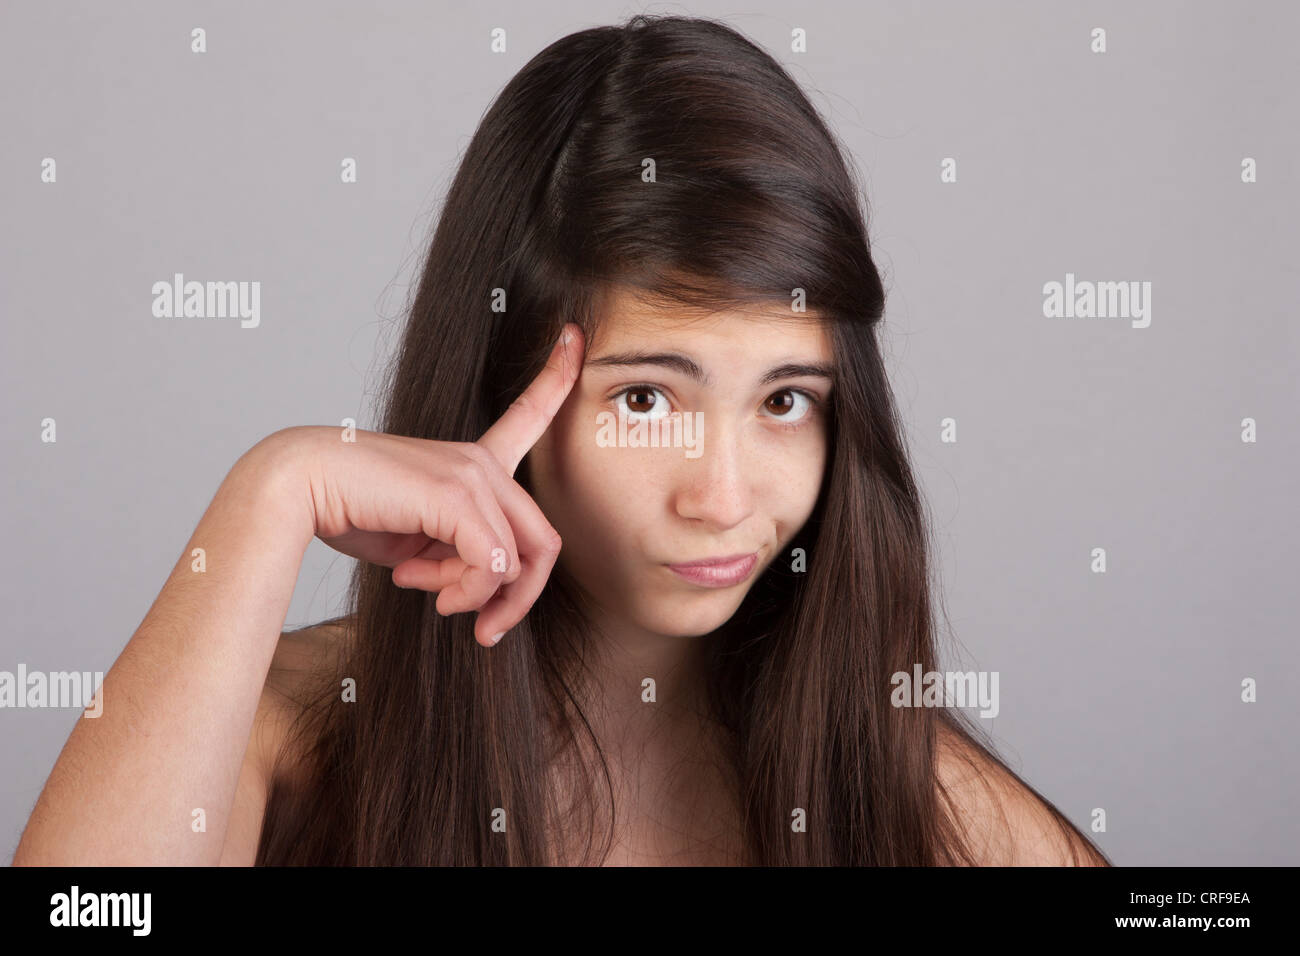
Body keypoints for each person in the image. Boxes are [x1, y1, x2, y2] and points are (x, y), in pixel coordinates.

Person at [13, 14, 1110, 866]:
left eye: (785, 400)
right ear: (502, 386)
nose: (724, 495)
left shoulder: (880, 774)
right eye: (645, 400)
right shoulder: (304, 725)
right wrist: (270, 491)